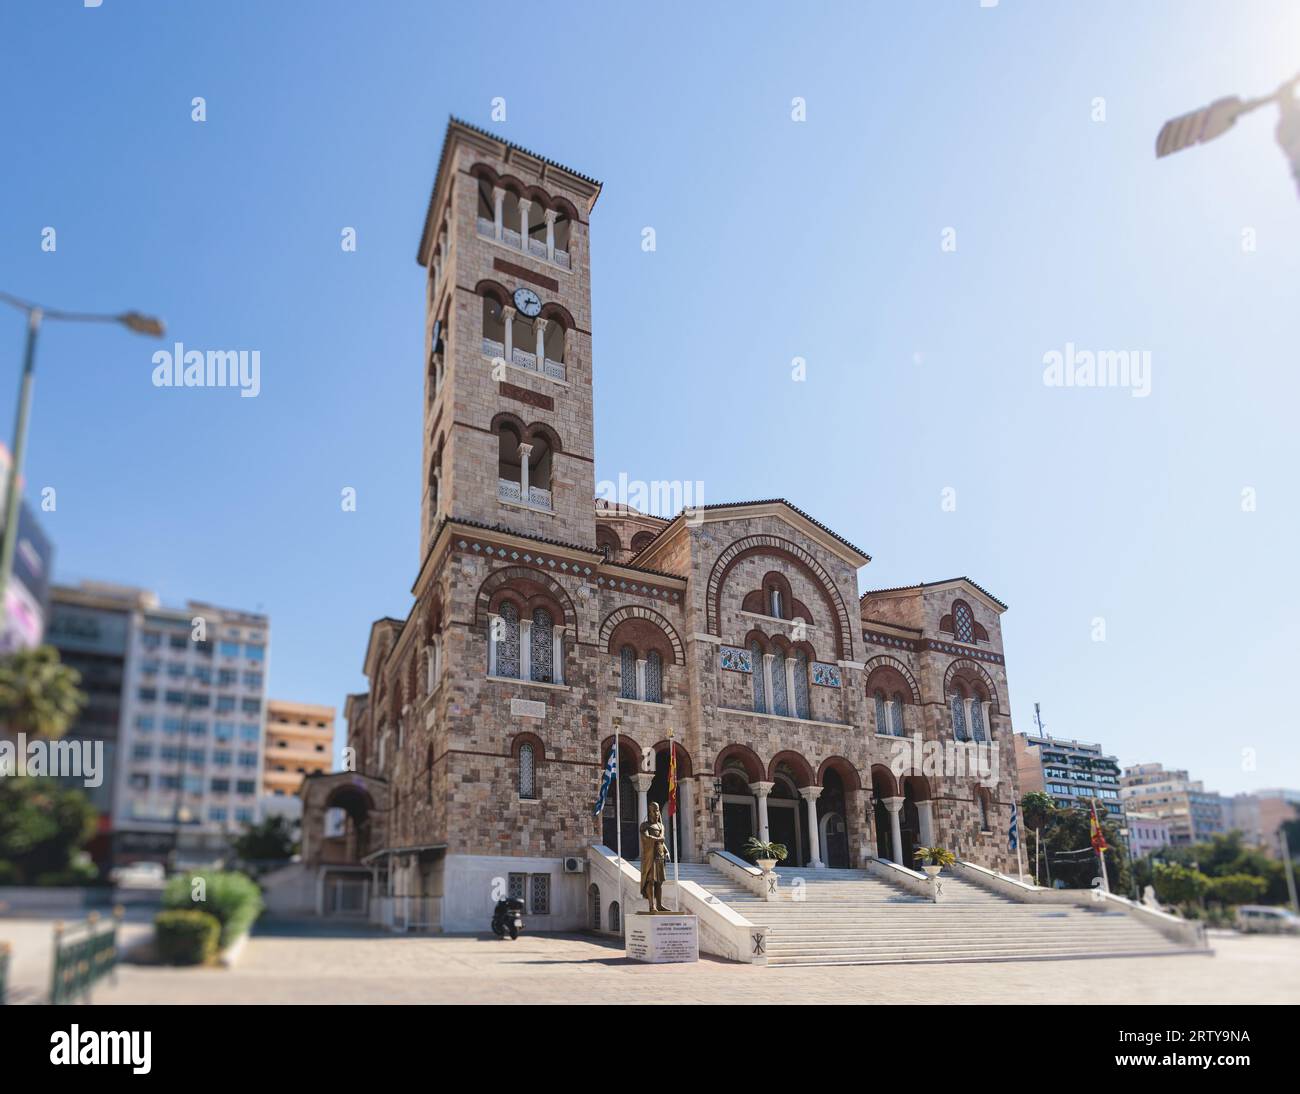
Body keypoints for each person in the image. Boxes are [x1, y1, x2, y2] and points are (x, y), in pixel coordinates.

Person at [638, 800, 670, 912]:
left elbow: (662, 842)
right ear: (649, 811)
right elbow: (646, 838)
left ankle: (660, 904)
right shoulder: (645, 825)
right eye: (654, 810)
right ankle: (652, 906)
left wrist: (666, 851)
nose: (656, 813)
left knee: (659, 882)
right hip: (649, 857)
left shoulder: (661, 826)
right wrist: (658, 839)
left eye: (657, 810)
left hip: (659, 856)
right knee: (651, 880)